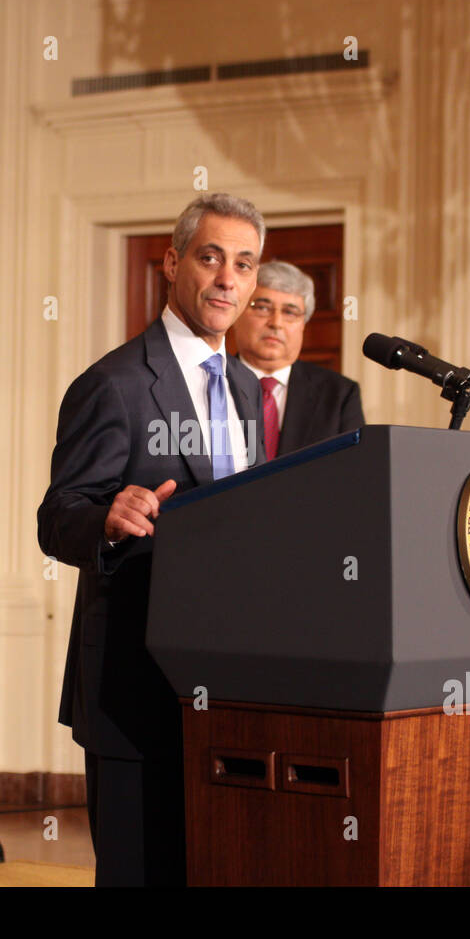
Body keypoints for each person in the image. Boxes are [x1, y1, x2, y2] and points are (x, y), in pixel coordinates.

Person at [38, 193, 267, 886]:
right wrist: (106, 514)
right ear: (173, 263)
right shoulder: (114, 384)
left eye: (246, 263)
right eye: (211, 257)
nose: (229, 278)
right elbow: (57, 516)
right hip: (134, 687)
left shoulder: (249, 391)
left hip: (226, 687)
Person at [230, 260, 365, 457]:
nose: (276, 323)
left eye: (290, 312)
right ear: (237, 314)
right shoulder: (212, 381)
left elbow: (356, 471)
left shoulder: (339, 395)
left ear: (303, 324)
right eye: (262, 307)